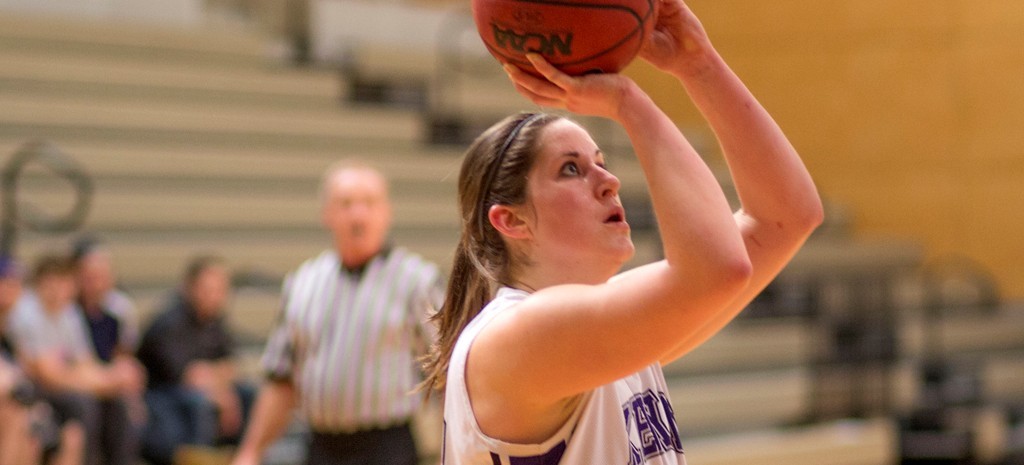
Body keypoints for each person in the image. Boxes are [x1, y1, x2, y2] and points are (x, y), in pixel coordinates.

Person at [419, 0, 825, 463]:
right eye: (571, 169)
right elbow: (720, 267)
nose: (608, 181)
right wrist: (627, 103)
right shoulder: (519, 335)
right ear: (511, 220)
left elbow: (787, 215)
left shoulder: (599, 334)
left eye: (601, 163)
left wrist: (699, 64)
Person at [231, 161, 445, 465]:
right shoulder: (303, 281)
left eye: (369, 203)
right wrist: (251, 451)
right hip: (320, 446)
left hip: (386, 447)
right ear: (326, 214)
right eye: (345, 204)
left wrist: (451, 454)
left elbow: (447, 377)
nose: (358, 214)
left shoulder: (417, 280)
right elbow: (281, 379)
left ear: (387, 213)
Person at [7, 254, 142, 465]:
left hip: (65, 383)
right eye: (54, 283)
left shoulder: (70, 312)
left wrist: (110, 379)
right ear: (40, 284)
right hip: (34, 389)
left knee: (118, 403)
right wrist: (101, 384)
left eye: (65, 283)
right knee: (85, 404)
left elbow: (85, 361)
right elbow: (47, 375)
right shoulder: (26, 314)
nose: (60, 290)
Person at [136, 254, 255, 465]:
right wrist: (219, 390)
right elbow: (189, 376)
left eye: (221, 290)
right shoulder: (170, 323)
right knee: (200, 401)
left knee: (248, 394)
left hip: (198, 392)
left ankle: (242, 458)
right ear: (190, 288)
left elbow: (230, 366)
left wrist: (223, 390)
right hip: (160, 401)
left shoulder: (214, 321)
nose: (216, 296)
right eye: (209, 289)